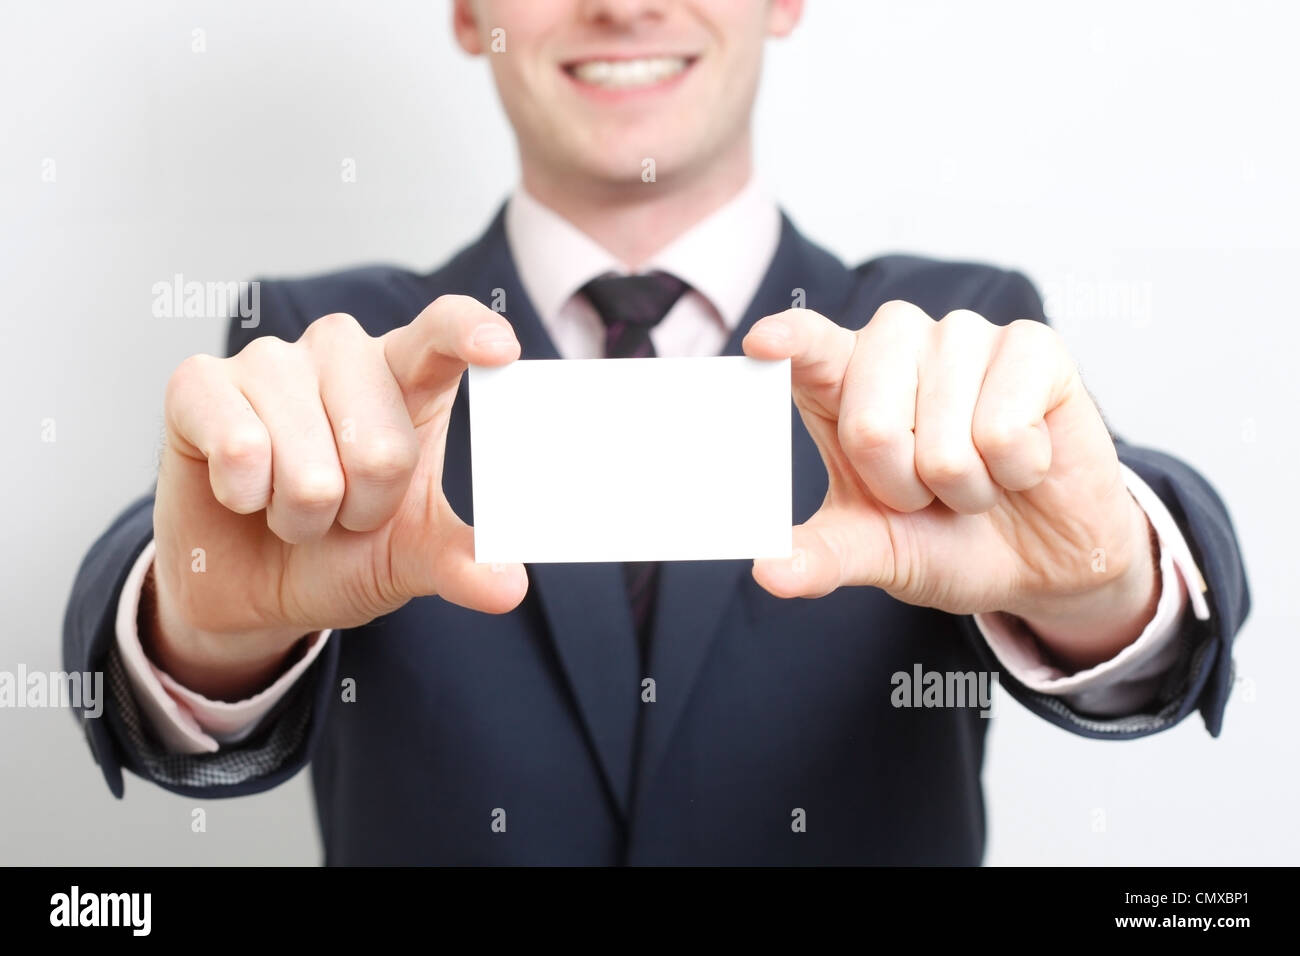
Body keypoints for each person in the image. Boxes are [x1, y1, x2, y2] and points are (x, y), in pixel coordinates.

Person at [64, 0, 1249, 865]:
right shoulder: (332, 342)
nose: (622, 3)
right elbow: (146, 592)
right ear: (468, 8)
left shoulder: (958, 331)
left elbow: (1136, 571)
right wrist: (202, 624)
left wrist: (1109, 583)